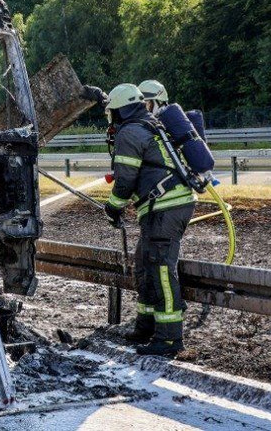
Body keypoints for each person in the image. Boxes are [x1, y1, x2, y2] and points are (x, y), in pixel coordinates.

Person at [103, 83, 196, 357]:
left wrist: (113, 207)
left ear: (119, 110)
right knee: (144, 265)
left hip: (165, 207)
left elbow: (126, 180)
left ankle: (169, 339)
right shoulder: (149, 125)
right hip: (163, 205)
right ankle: (145, 326)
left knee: (162, 271)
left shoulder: (130, 132)